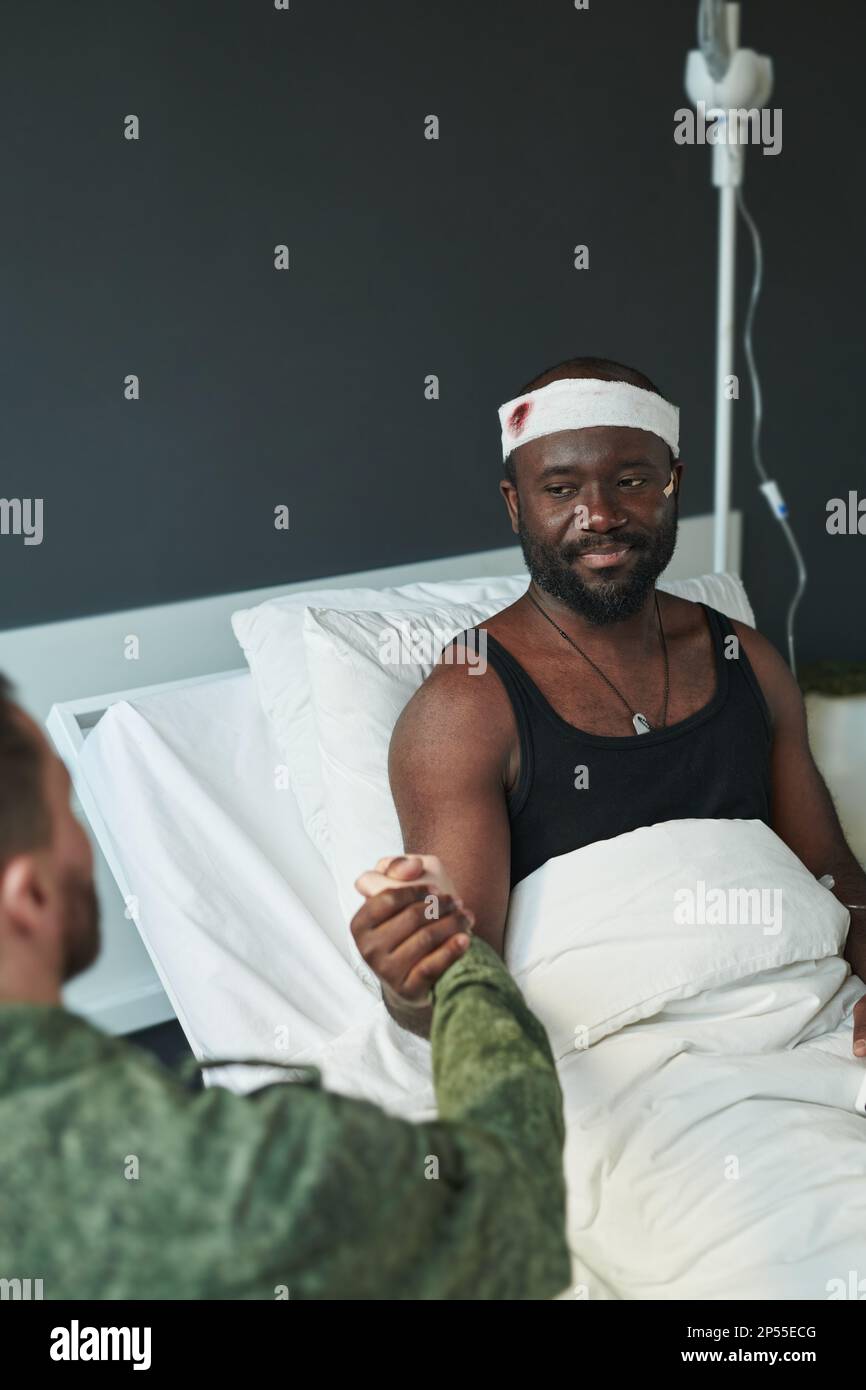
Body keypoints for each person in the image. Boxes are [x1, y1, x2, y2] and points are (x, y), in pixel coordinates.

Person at [354, 356, 866, 1054]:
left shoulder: (747, 661)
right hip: (625, 1064)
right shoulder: (467, 705)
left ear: (671, 485)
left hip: (822, 1023)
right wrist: (411, 981)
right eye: (560, 488)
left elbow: (831, 867)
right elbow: (460, 990)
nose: (600, 515)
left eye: (631, 481)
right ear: (515, 504)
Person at [0, 676, 570, 1300]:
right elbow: (507, 1217)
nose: (80, 844)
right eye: (67, 810)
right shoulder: (212, 1170)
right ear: (29, 895)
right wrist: (460, 961)